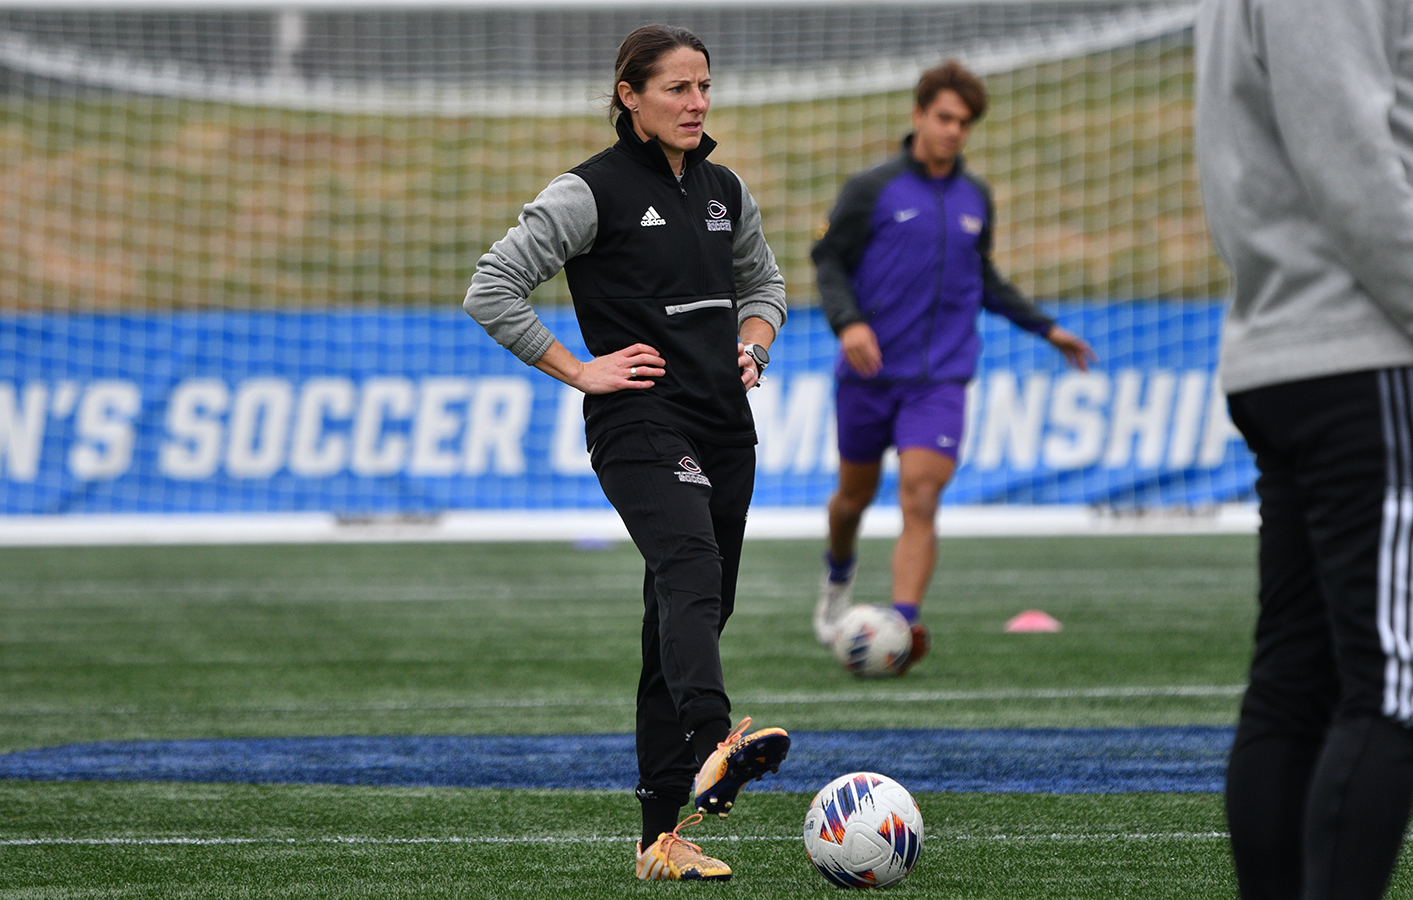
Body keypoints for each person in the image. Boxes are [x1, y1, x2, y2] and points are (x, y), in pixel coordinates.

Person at [463, 24, 790, 883]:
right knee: (689, 566)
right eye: (678, 88)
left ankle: (659, 838)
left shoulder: (726, 189)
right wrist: (578, 369)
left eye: (705, 87)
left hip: (727, 428)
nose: (697, 103)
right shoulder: (589, 192)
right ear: (629, 96)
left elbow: (766, 285)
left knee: (684, 622)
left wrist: (753, 344)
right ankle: (721, 739)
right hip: (640, 425)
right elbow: (490, 288)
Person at [1193, 0, 1413, 897]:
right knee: (1397, 687)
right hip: (1362, 350)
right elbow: (1352, 167)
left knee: (1295, 686)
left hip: (1292, 351)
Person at [810, 60, 1095, 669]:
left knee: (921, 496)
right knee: (851, 502)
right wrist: (849, 323)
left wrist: (1045, 327)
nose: (953, 131)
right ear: (918, 115)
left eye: (964, 123)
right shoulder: (872, 189)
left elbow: (981, 277)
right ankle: (837, 581)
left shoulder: (975, 198)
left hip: (940, 378)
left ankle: (902, 629)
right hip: (867, 374)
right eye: (944, 117)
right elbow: (828, 261)